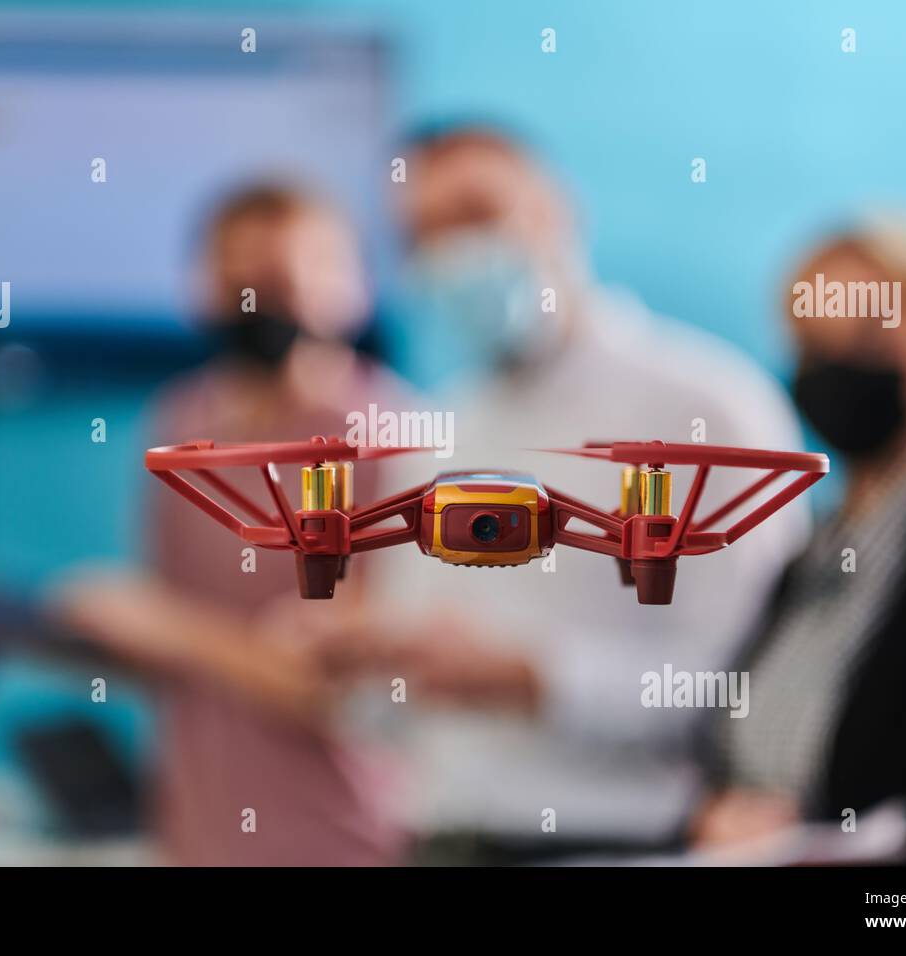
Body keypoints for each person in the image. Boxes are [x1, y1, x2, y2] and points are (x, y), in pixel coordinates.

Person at [320, 125, 814, 861]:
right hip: (436, 839)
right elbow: (396, 722)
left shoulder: (706, 412)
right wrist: (360, 664)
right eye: (421, 237)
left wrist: (534, 679)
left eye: (476, 215)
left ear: (558, 211)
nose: (451, 256)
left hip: (629, 843)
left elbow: (748, 690)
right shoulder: (431, 436)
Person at [53, 184, 411, 865]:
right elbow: (168, 649)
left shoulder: (387, 440)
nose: (255, 304)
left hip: (345, 845)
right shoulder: (181, 425)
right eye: (235, 281)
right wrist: (96, 624)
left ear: (351, 288)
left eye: (279, 282)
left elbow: (352, 691)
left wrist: (157, 622)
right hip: (197, 843)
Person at [690, 211, 906, 864]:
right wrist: (717, 818)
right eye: (811, 346)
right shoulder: (805, 567)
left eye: (867, 337)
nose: (837, 368)